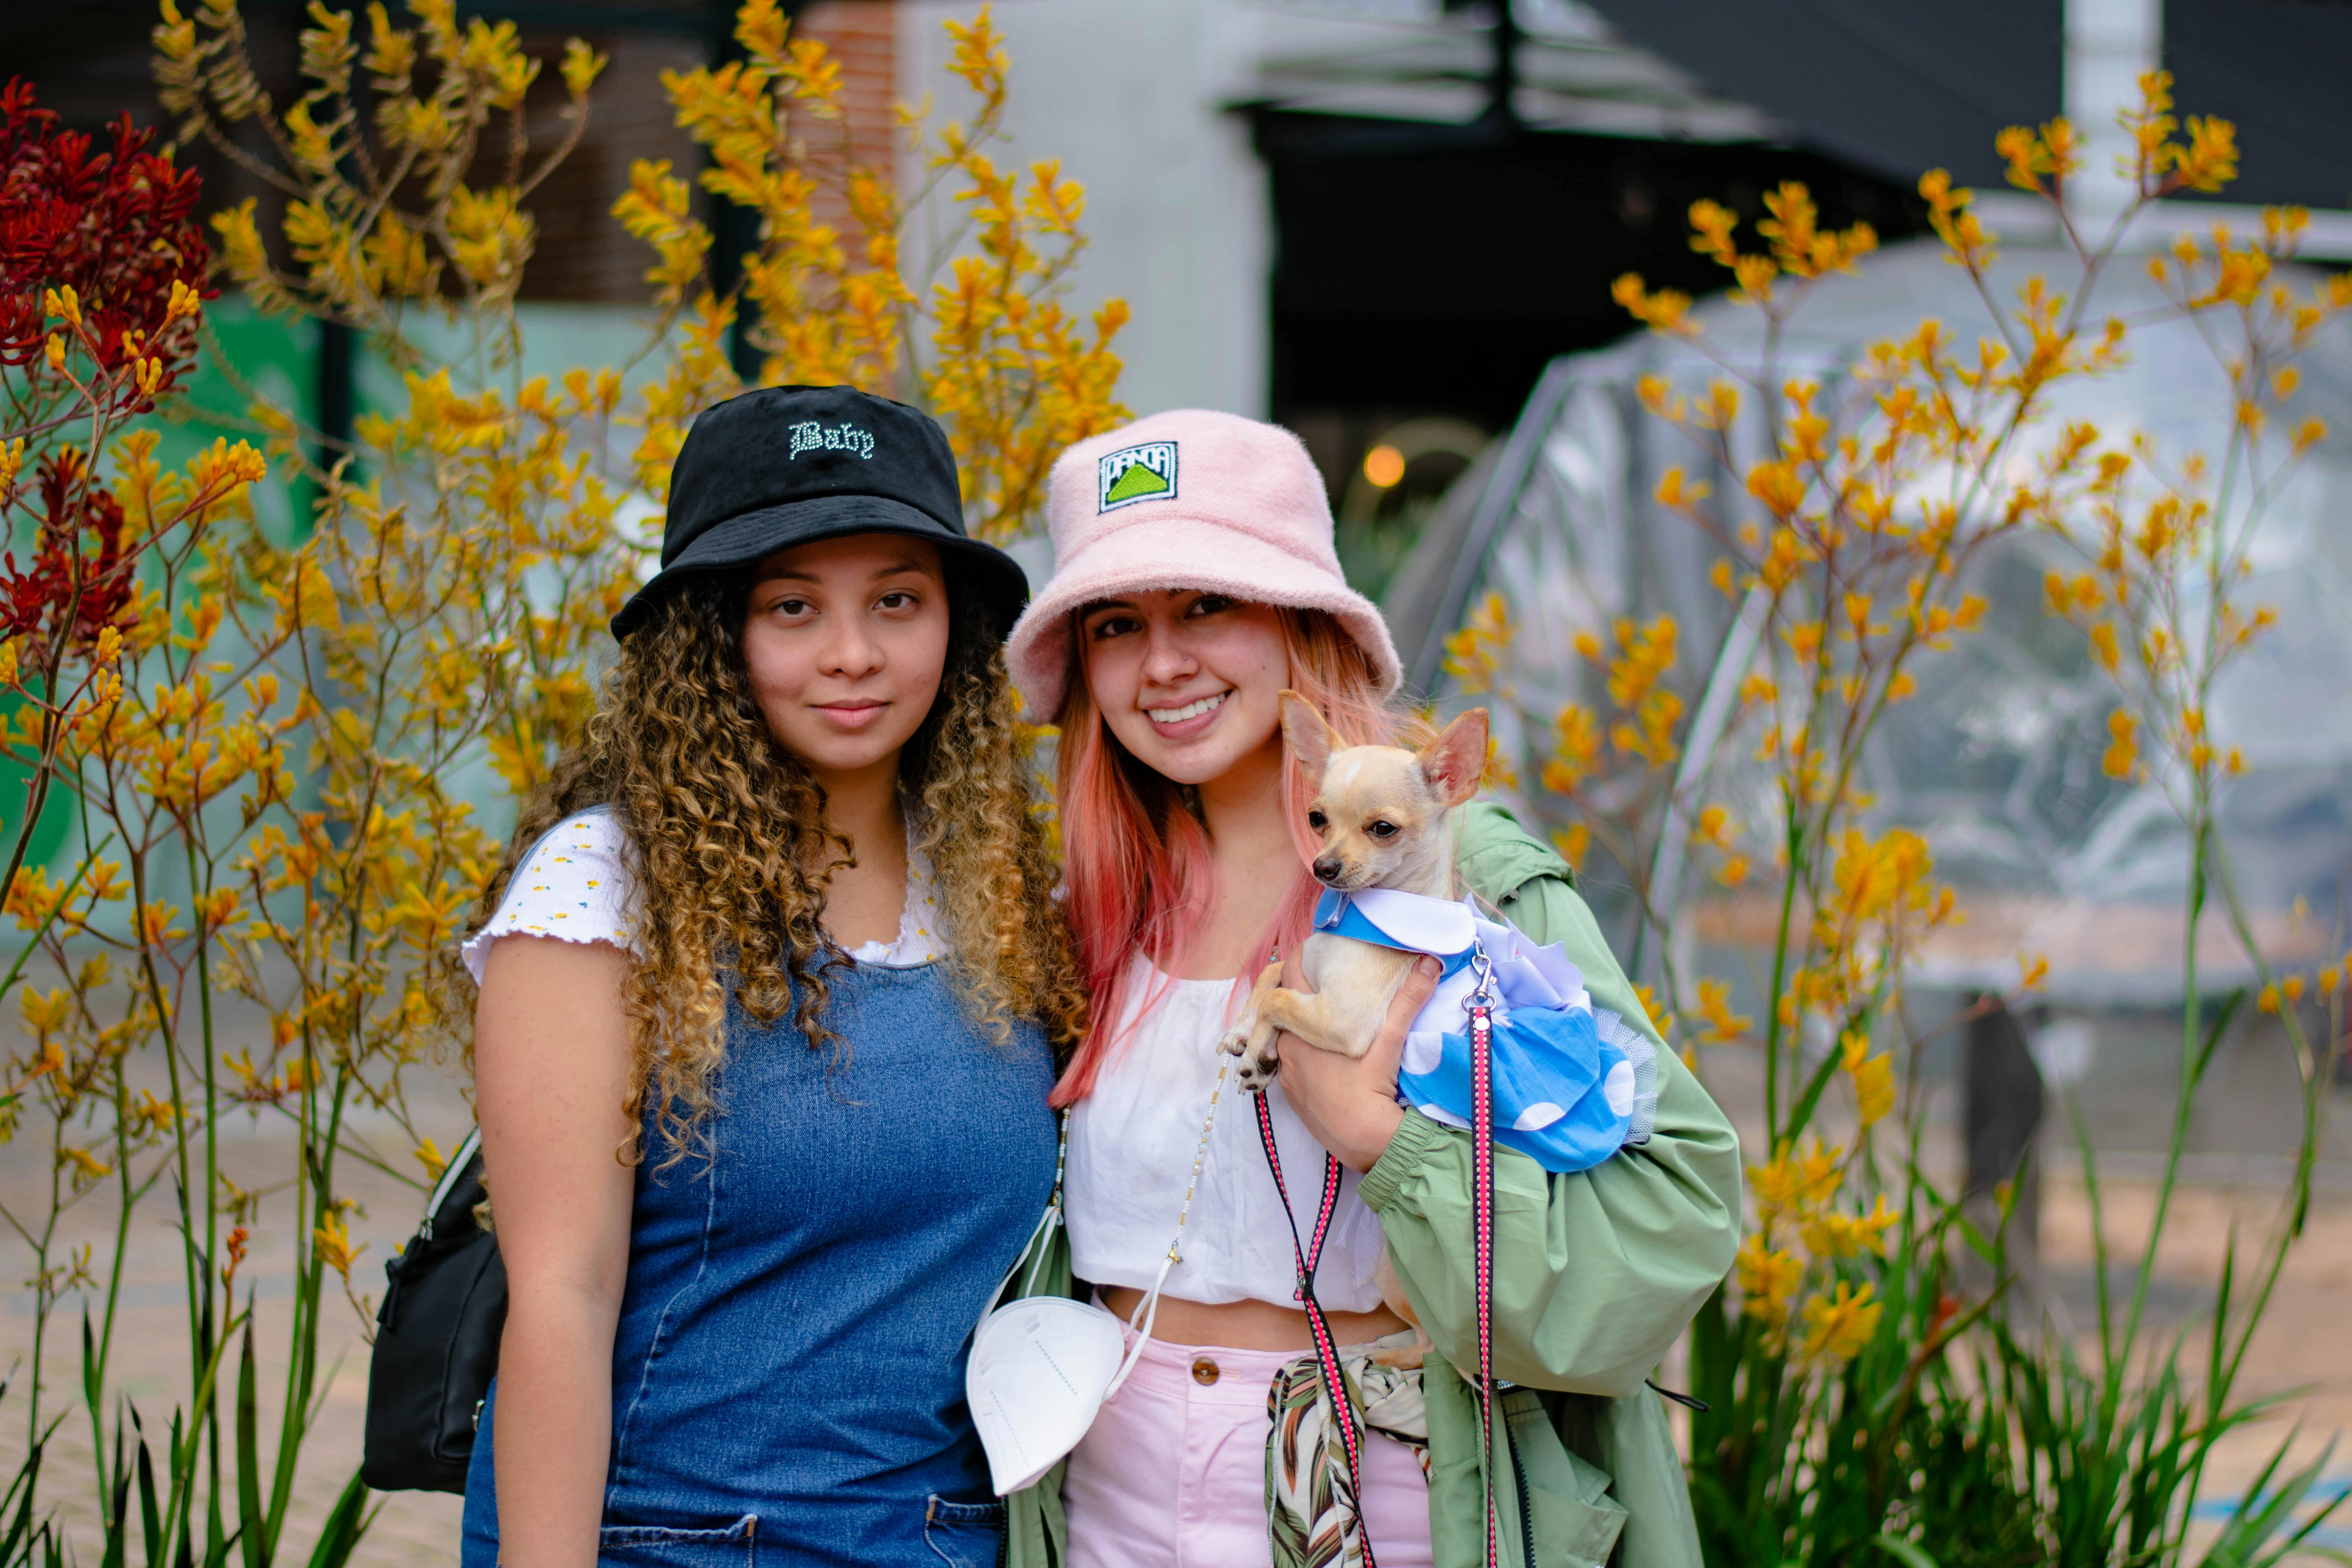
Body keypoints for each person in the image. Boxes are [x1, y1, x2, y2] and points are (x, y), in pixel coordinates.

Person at [993, 410, 1743, 1568]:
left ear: (1305, 622)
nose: (1163, 663)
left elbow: (1679, 1205)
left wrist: (1377, 1135)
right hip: (1109, 1500)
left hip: (1387, 1492)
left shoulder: (1463, 884)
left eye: (1208, 606)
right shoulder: (1080, 909)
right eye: (1116, 624)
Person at [454, 385, 1087, 1568]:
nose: (853, 654)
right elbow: (561, 1300)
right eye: (793, 606)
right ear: (713, 635)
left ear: (953, 624)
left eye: (896, 601)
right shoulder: (602, 890)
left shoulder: (1001, 893)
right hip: (667, 1541)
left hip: (942, 1545)